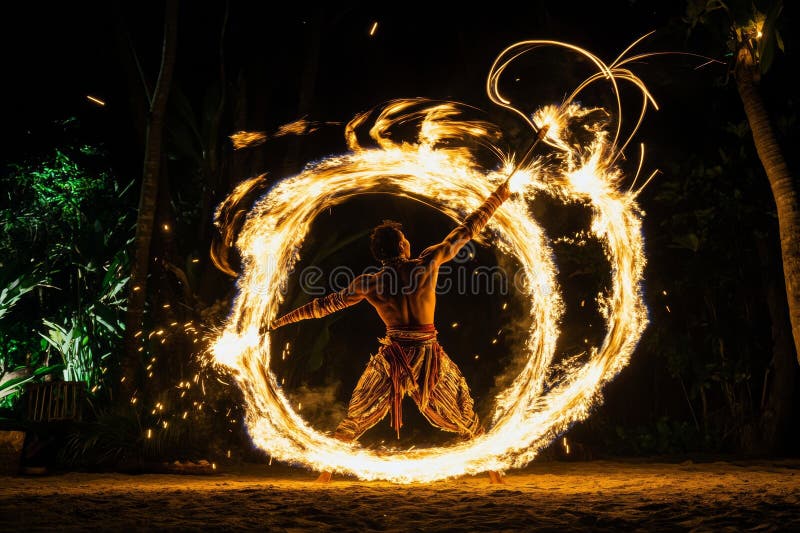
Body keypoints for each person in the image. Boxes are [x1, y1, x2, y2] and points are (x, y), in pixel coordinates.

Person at [271, 180, 511, 483]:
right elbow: (465, 231)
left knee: (357, 416)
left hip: (394, 357)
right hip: (426, 355)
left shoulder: (369, 282)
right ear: (402, 246)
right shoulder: (427, 263)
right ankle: (495, 474)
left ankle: (324, 475)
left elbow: (324, 306)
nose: (408, 240)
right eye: (404, 238)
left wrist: (282, 321)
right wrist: (496, 199)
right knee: (463, 411)